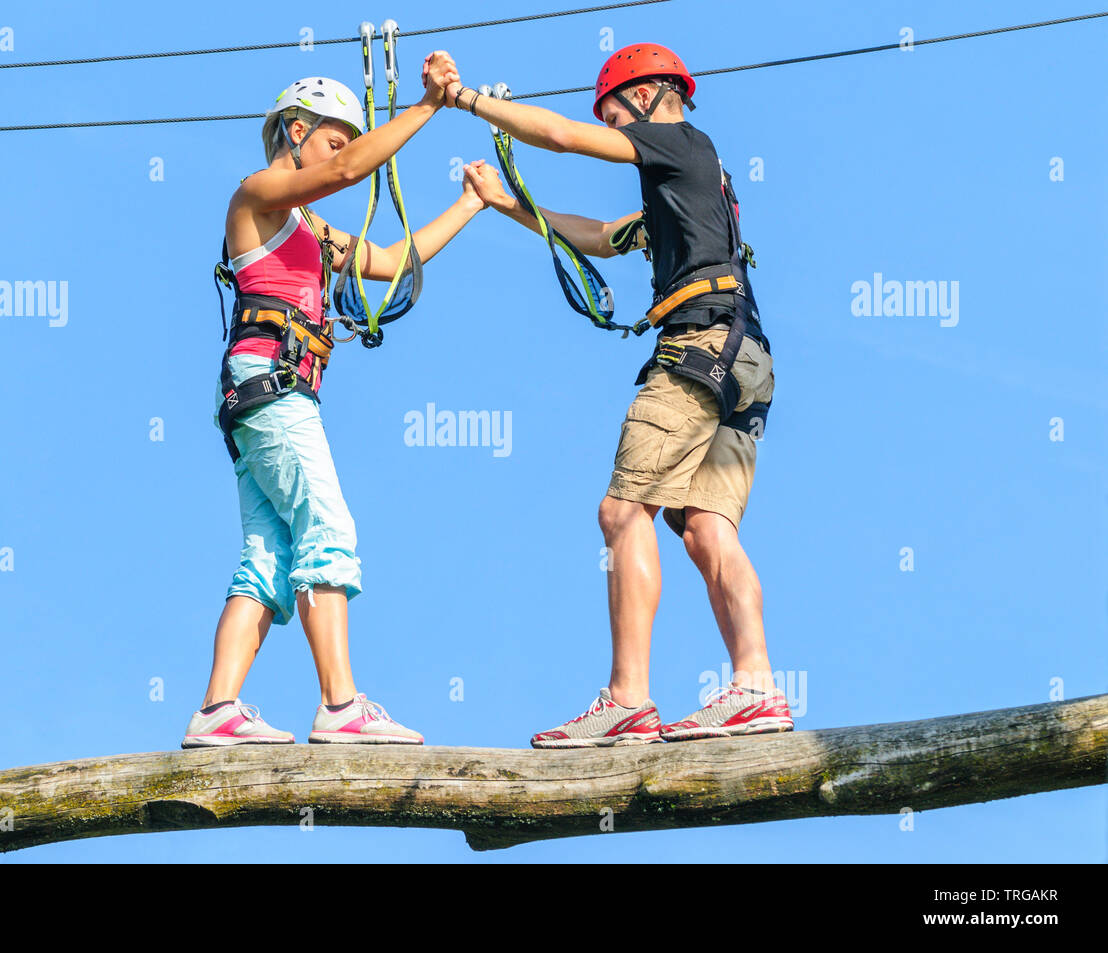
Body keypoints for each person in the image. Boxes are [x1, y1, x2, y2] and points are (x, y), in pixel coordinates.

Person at [451, 45, 793, 746]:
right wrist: (507, 204)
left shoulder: (676, 143)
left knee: (621, 510)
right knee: (704, 527)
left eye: (615, 111)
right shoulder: (689, 184)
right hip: (744, 358)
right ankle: (756, 685)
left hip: (698, 348)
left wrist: (468, 100)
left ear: (649, 96)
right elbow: (604, 240)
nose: (612, 125)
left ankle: (626, 697)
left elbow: (564, 137)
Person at [183, 51, 490, 747]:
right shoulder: (256, 194)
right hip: (274, 389)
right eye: (332, 137)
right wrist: (427, 108)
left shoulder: (313, 233)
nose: (343, 154)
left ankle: (217, 709)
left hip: (262, 395)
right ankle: (341, 705)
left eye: (347, 140)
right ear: (294, 130)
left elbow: (390, 260)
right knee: (329, 530)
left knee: (266, 555)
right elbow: (350, 173)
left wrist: (470, 205)